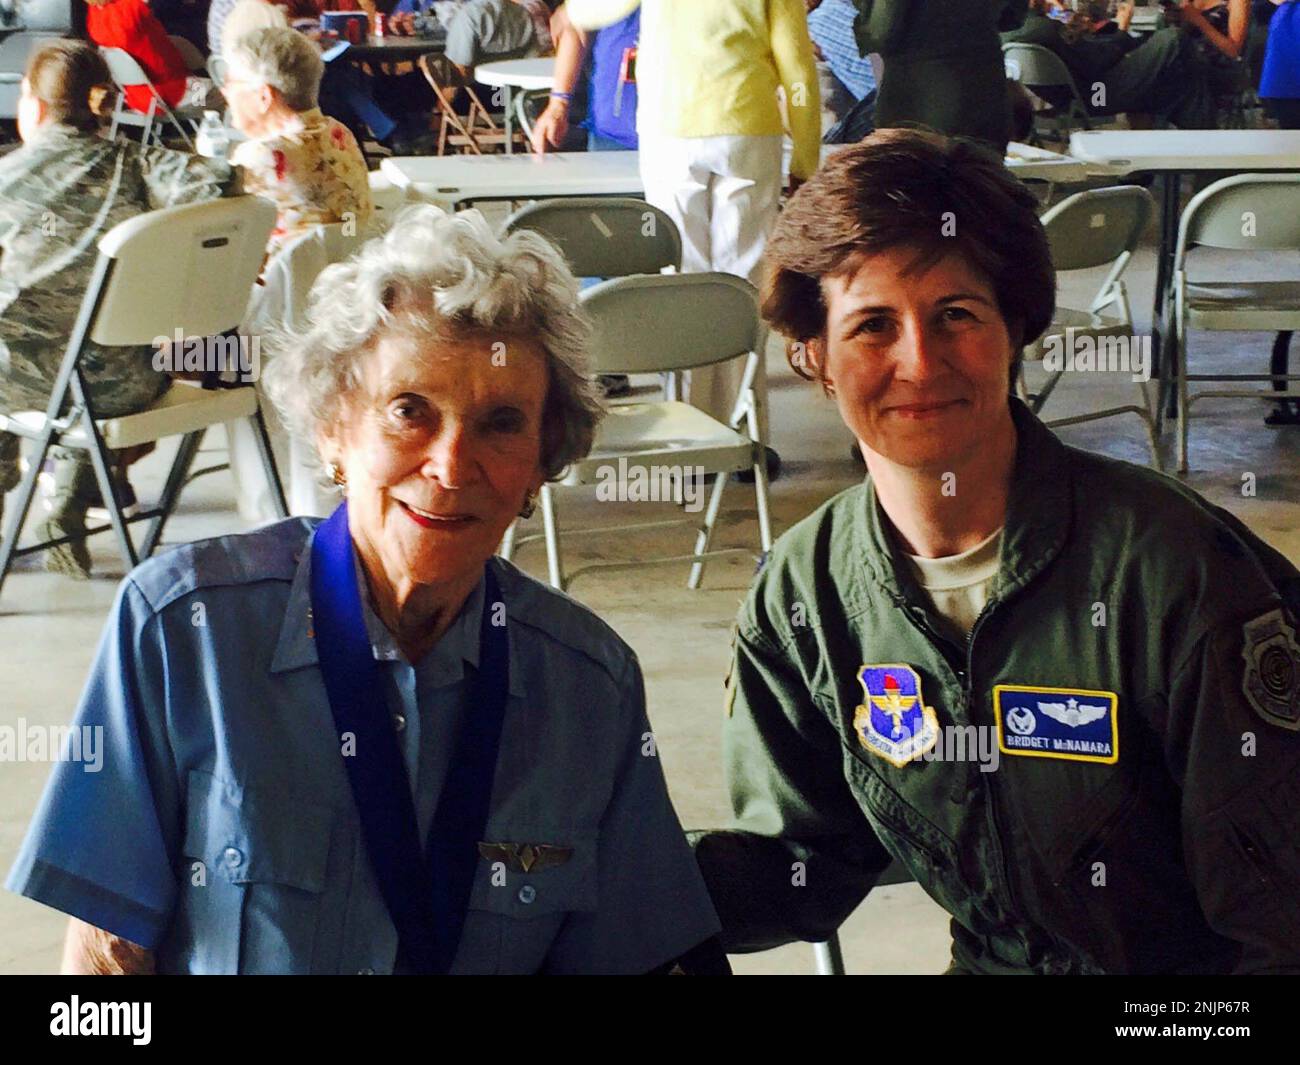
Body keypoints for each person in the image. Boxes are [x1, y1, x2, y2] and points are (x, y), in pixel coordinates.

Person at [5, 205, 728, 976]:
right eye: (410, 410)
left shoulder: (590, 688)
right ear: (333, 427)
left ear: (542, 465)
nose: (452, 466)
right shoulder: (186, 632)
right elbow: (106, 959)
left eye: (501, 423)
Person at [689, 129, 1300, 974]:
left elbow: (1277, 935)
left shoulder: (1174, 572)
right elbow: (801, 861)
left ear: (1017, 328)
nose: (919, 361)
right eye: (871, 326)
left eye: (956, 315)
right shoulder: (805, 594)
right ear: (816, 359)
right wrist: (606, 881)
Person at [0, 40, 238, 579]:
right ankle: (70, 499)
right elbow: (220, 182)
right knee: (91, 352)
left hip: (23, 381)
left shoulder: (7, 178)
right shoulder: (137, 163)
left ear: (32, 104)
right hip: (129, 383)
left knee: (20, 345)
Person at [571, 0, 818, 468]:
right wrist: (806, 157)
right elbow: (799, 71)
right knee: (741, 284)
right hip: (748, 130)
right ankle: (743, 435)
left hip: (670, 131)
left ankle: (690, 439)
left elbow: (590, 10)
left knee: (682, 282)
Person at [226, 27, 374, 263]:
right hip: (346, 277)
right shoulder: (339, 133)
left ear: (264, 96)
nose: (225, 92)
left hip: (283, 293)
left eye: (230, 82)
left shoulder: (259, 156)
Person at [1005, 0, 1216, 129]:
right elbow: (1099, 61)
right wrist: (1122, 29)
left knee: (1171, 82)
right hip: (1099, 96)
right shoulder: (1045, 28)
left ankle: (1142, 170)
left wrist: (1079, 31)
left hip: (1068, 100)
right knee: (1174, 39)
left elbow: (1079, 55)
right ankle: (1207, 144)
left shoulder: (1010, 32)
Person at [852, 0, 1027, 154]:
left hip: (921, 95)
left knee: (912, 180)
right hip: (988, 87)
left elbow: (881, 30)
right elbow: (1013, 16)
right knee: (982, 184)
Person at [83, 0, 191, 115]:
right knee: (208, 85)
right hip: (168, 92)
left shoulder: (94, 14)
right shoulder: (132, 6)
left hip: (134, 97)